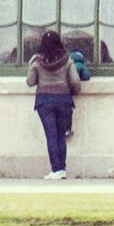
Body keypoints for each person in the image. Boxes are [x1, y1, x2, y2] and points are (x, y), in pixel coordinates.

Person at [23, 28, 88, 175]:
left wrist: (31, 65)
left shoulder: (37, 61)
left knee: (51, 136)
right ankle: (62, 169)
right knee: (60, 136)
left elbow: (30, 81)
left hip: (44, 101)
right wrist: (74, 92)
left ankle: (56, 169)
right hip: (64, 100)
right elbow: (75, 82)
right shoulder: (68, 60)